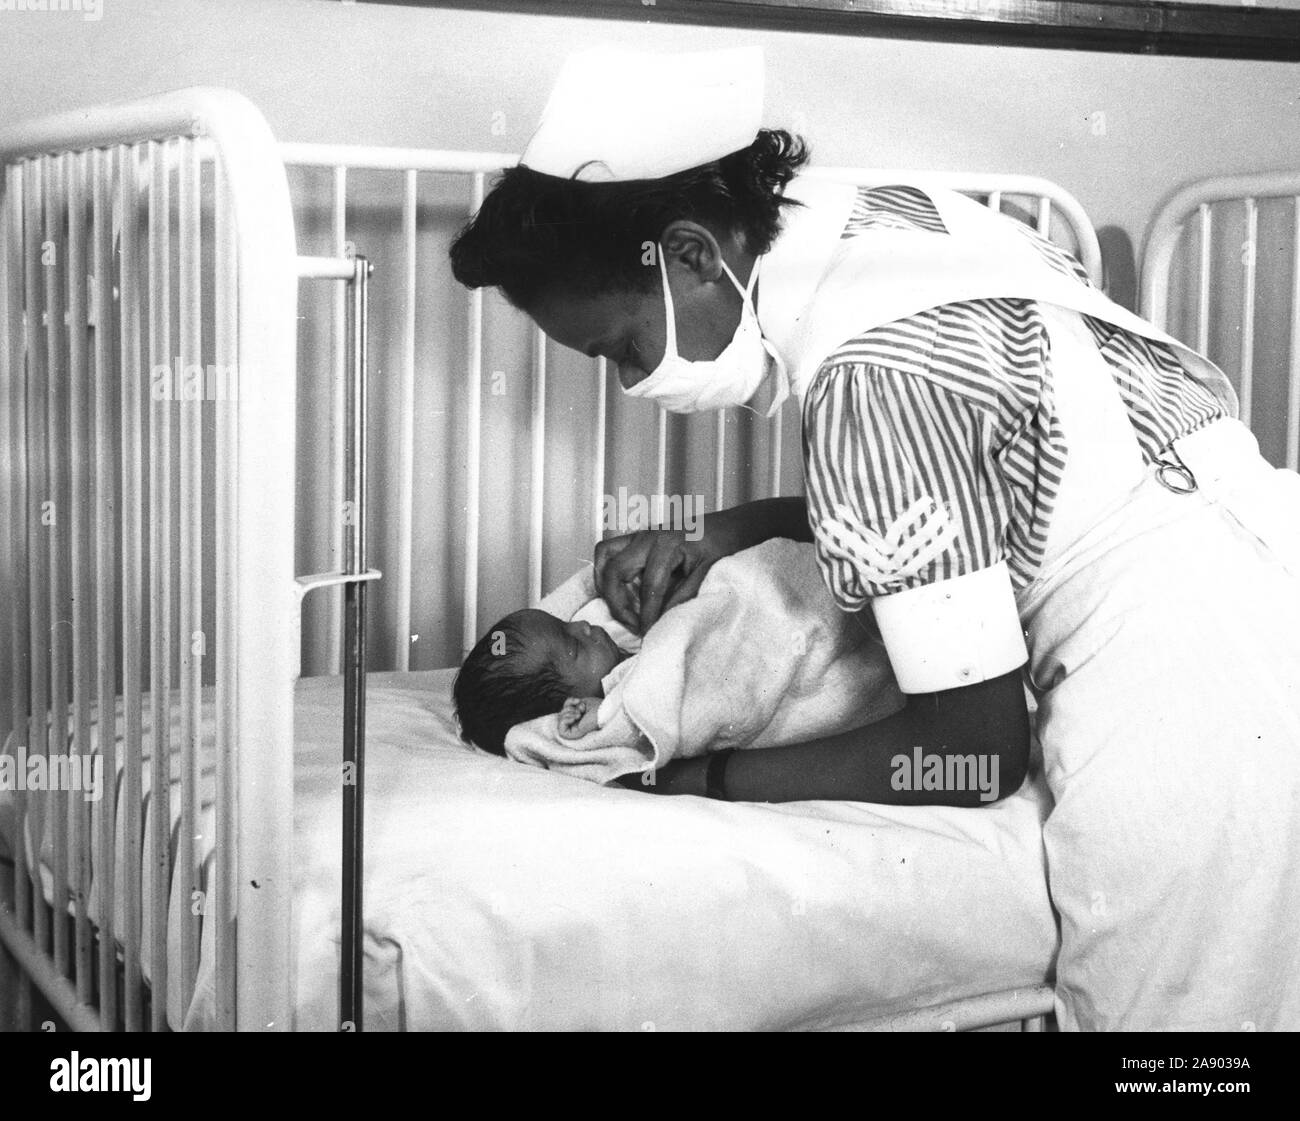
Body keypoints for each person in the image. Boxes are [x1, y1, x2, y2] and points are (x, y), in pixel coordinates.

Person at [449, 46, 1300, 1030]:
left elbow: (975, 750)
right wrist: (732, 528)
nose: (629, 379)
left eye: (621, 347)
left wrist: (711, 777)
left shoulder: (863, 374)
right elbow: (984, 484)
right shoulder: (897, 220)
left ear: (687, 252)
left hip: (1186, 682)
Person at [453, 608, 630, 756]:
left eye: (565, 622)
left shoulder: (624, 638)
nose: (582, 625)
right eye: (576, 646)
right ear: (571, 710)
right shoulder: (622, 699)